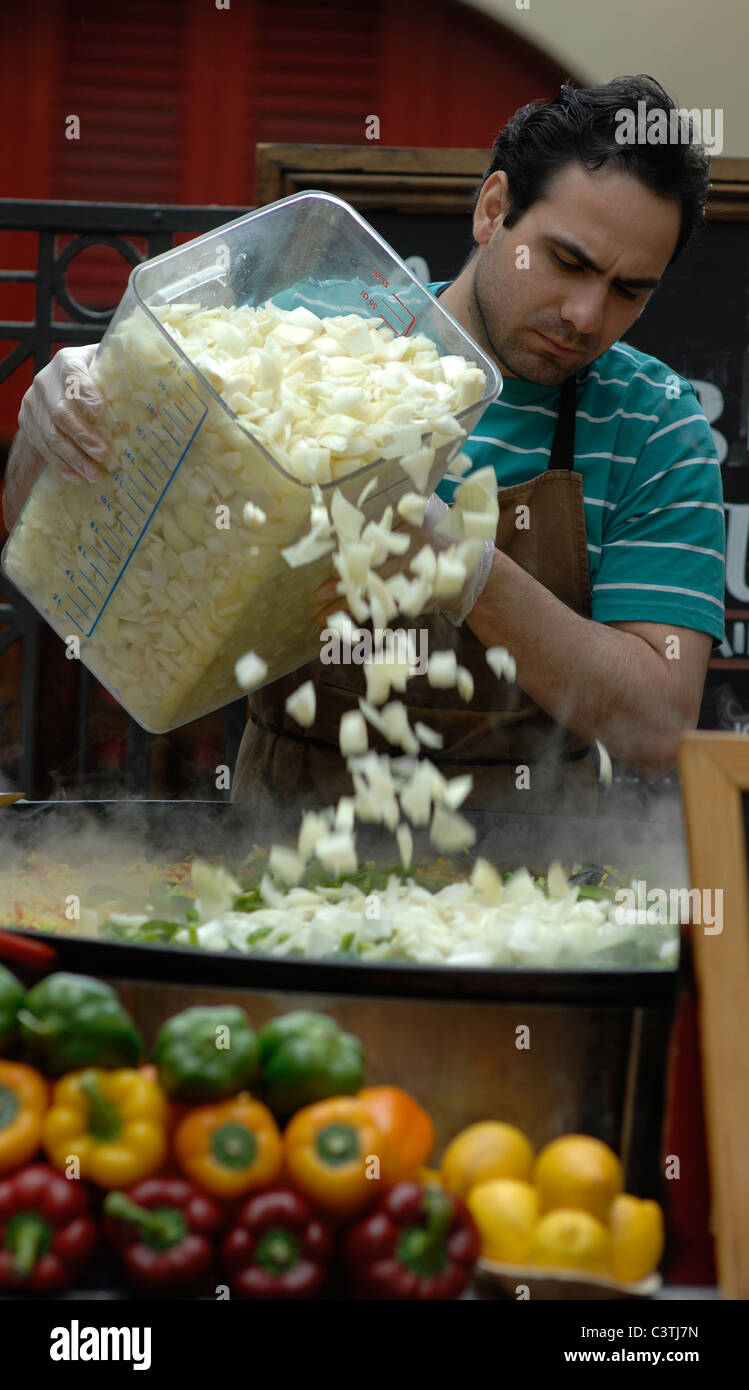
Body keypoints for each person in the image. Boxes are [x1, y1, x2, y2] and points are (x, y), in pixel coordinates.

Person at [2, 76, 725, 815]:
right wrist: (52, 430)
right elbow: (75, 565)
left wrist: (472, 574)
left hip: (539, 873)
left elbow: (658, 727)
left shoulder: (656, 428)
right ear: (493, 209)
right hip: (285, 846)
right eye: (567, 261)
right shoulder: (304, 345)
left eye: (628, 290)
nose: (584, 314)